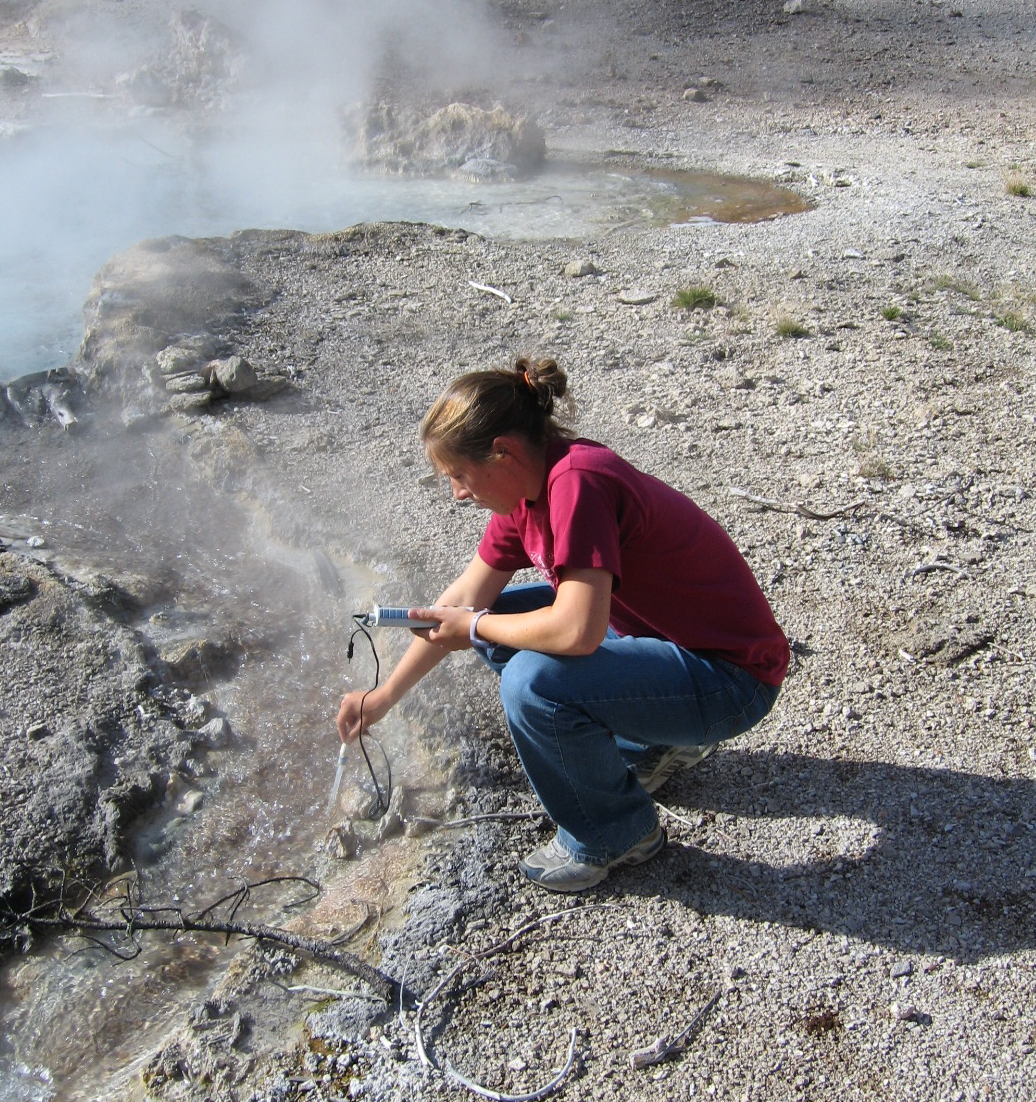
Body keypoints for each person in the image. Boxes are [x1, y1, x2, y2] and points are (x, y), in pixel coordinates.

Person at [335, 356, 789, 894]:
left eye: (458, 475)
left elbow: (577, 633)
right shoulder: (526, 494)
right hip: (666, 651)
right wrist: (385, 695)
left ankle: (615, 835)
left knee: (530, 681)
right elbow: (459, 602)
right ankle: (656, 742)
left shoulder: (578, 483)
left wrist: (474, 627)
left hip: (732, 680)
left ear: (502, 452)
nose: (457, 493)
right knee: (500, 621)